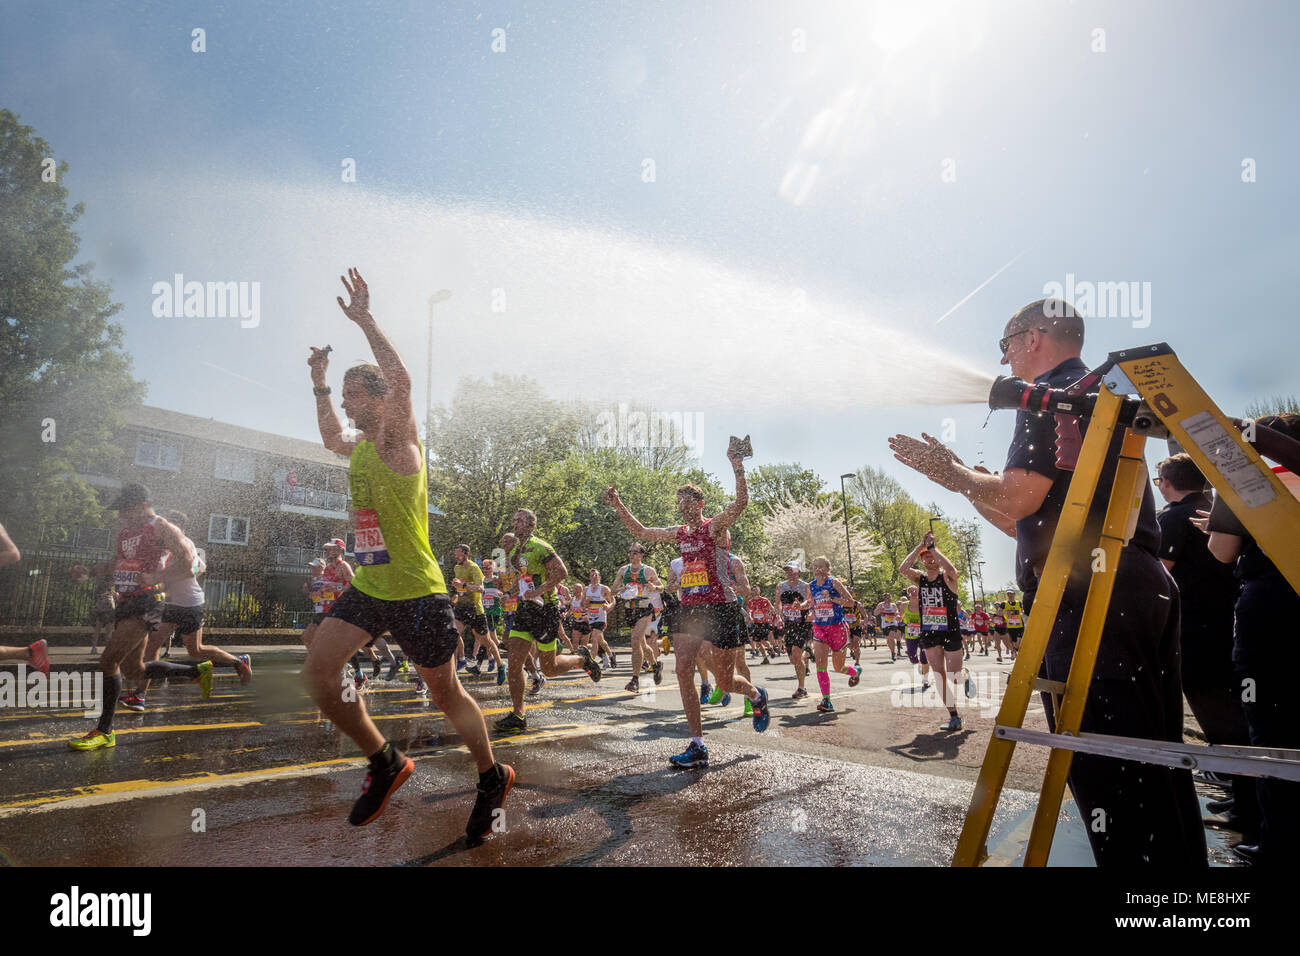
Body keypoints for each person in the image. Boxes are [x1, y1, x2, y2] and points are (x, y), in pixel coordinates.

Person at [889, 296, 1204, 867]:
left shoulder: (1049, 398)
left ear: (1033, 337)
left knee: (1105, 763)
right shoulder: (1092, 394)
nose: (1004, 357)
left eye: (1005, 343)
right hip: (1129, 582)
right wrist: (964, 481)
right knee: (1154, 755)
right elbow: (1026, 520)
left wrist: (952, 473)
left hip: (1088, 599)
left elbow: (1017, 496)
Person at [302, 268, 511, 842]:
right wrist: (319, 381)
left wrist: (365, 318)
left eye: (350, 395)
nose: (344, 405)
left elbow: (401, 378)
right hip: (370, 586)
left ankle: (491, 776)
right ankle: (385, 760)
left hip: (419, 590)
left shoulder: (399, 441)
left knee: (446, 693)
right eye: (341, 396)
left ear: (376, 399)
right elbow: (327, 437)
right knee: (319, 673)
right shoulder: (360, 447)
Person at [606, 448, 770, 769]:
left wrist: (737, 467)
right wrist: (619, 505)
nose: (682, 507)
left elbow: (740, 504)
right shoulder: (680, 534)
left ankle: (755, 696)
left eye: (688, 501)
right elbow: (642, 532)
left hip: (720, 609)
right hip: (690, 610)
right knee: (683, 669)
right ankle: (697, 745)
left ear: (700, 504)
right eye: (679, 502)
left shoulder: (714, 528)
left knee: (725, 682)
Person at [1200, 413, 1300, 865]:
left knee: (1273, 736)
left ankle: (1280, 846)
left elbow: (1221, 551)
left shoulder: (1245, 475)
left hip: (1270, 611)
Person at [1153, 452, 1257, 843]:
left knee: (1223, 724)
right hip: (1231, 626)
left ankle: (1249, 810)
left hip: (1196, 634)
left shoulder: (1172, 519)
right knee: (1238, 719)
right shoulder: (1214, 510)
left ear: (1167, 482)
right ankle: (1244, 800)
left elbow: (1159, 576)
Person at [68, 484, 214, 751]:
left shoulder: (162, 527)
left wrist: (158, 577)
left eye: (124, 510)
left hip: (148, 601)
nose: (121, 516)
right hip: (125, 601)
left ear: (141, 505)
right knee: (134, 669)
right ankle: (195, 670)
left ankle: (105, 731)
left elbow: (189, 564)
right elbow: (117, 562)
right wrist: (89, 571)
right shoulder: (126, 532)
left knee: (108, 660)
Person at [126, 510, 252, 711]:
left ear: (179, 527)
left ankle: (239, 661)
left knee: (196, 651)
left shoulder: (186, 544)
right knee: (152, 645)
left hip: (190, 605)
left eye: (170, 526)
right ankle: (140, 695)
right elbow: (201, 568)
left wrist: (159, 580)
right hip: (171, 604)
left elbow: (189, 570)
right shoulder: (168, 548)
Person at [496, 509, 602, 732]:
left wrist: (539, 591)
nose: (515, 523)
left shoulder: (541, 547)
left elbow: (561, 572)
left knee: (550, 668)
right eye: (514, 519)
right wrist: (509, 593)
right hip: (524, 611)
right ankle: (518, 714)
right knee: (514, 664)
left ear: (532, 525)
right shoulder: (515, 549)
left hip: (546, 611)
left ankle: (582, 659)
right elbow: (522, 578)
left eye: (520, 520)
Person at [899, 533, 971, 730]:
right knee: (939, 674)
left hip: (950, 630)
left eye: (932, 556)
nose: (930, 559)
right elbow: (903, 568)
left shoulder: (948, 577)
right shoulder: (920, 579)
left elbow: (951, 568)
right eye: (926, 557)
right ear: (921, 561)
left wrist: (933, 548)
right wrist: (920, 546)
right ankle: (954, 716)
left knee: (955, 676)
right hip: (929, 632)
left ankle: (965, 675)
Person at [805, 557, 862, 713]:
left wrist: (832, 598)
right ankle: (826, 700)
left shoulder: (834, 582)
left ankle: (855, 672)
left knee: (838, 667)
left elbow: (850, 602)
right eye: (815, 566)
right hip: (819, 627)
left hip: (837, 627)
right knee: (820, 664)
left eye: (821, 567)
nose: (817, 569)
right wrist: (805, 610)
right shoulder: (810, 586)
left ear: (828, 569)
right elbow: (810, 604)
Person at [613, 545, 664, 692]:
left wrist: (654, 587)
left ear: (641, 555)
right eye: (629, 551)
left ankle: (635, 680)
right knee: (641, 644)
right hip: (630, 609)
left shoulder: (648, 571)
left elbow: (661, 587)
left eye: (634, 552)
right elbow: (612, 590)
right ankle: (655, 665)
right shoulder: (623, 570)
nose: (631, 554)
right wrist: (621, 590)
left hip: (645, 608)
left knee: (635, 641)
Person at [452, 545, 505, 686]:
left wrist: (463, 586)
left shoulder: (474, 568)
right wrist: (457, 594)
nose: (456, 557)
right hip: (462, 607)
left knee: (487, 641)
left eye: (458, 554)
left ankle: (500, 666)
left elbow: (480, 588)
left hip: (476, 609)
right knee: (452, 635)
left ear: (466, 554)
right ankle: (456, 669)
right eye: (455, 554)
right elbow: (460, 586)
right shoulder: (457, 568)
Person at [778, 564, 812, 698]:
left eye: (792, 570)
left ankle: (801, 688)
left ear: (799, 572)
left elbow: (810, 602)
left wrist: (800, 606)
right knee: (793, 659)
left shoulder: (805, 586)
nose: (789, 573)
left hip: (802, 624)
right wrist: (778, 615)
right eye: (787, 571)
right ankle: (807, 654)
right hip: (788, 625)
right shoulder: (781, 586)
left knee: (796, 654)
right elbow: (778, 604)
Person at [88, 568, 115, 654]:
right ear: (110, 581)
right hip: (107, 611)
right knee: (107, 631)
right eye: (113, 581)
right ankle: (103, 648)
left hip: (102, 610)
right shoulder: (107, 589)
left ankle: (95, 647)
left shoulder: (105, 588)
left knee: (100, 630)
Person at [874, 592, 904, 662]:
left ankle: (893, 653)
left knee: (891, 636)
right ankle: (892, 651)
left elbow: (896, 612)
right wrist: (879, 610)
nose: (888, 599)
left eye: (889, 597)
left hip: (893, 623)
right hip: (885, 624)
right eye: (887, 598)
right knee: (888, 640)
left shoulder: (893, 605)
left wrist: (897, 615)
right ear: (884, 598)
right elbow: (875, 613)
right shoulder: (881, 605)